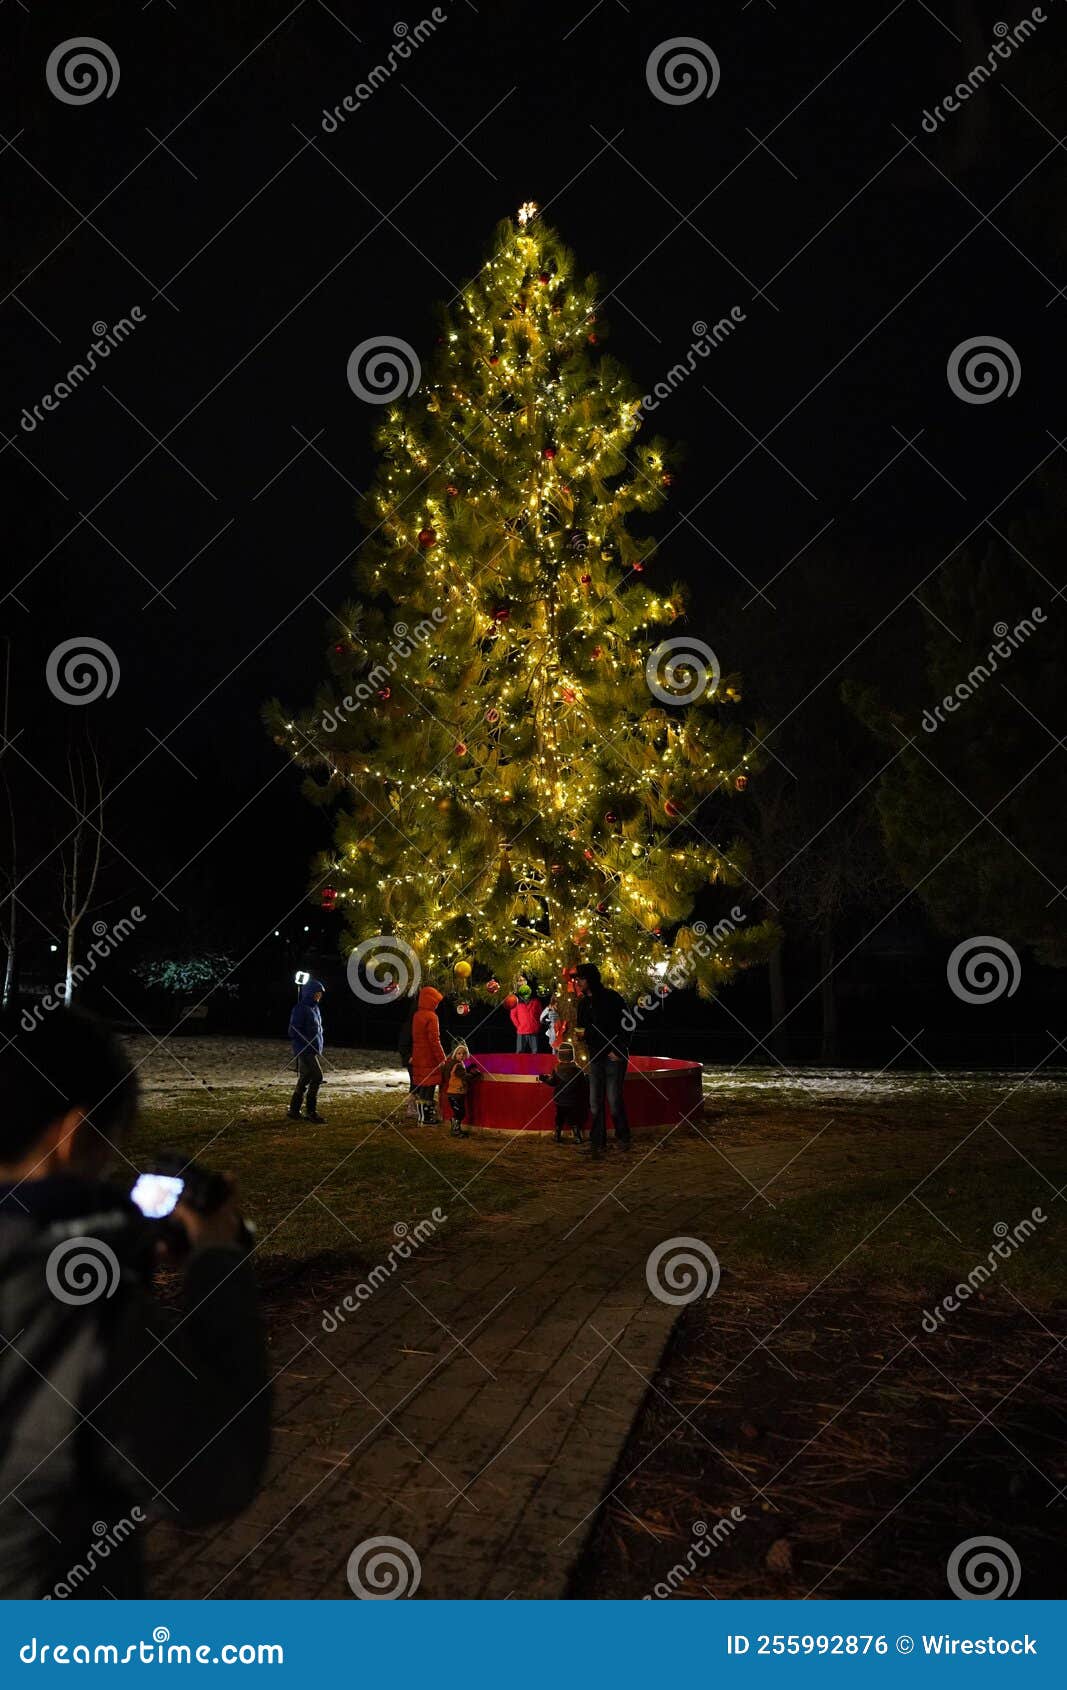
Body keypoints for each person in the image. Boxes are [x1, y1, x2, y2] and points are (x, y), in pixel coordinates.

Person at [0, 1008, 270, 1599]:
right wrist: (218, 1265)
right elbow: (212, 1475)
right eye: (109, 1148)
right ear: (73, 1136)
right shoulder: (70, 1308)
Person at [574, 963, 631, 1156]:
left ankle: (623, 1138)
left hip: (614, 1056)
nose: (577, 982)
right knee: (595, 1102)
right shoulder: (582, 1003)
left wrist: (619, 1047)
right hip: (596, 1055)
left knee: (614, 1100)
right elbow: (581, 1028)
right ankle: (598, 1143)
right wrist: (581, 1035)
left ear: (590, 979)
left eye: (581, 978)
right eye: (576, 979)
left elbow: (628, 1023)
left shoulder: (611, 998)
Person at [288, 977, 326, 1123]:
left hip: (312, 1049)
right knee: (317, 1077)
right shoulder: (300, 1008)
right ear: (309, 992)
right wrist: (306, 1042)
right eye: (317, 993)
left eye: (320, 993)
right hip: (304, 1050)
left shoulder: (315, 1008)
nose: (319, 996)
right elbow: (293, 1030)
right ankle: (311, 1112)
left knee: (304, 1077)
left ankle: (294, 1110)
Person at [536, 1041, 589, 1143]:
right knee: (574, 1119)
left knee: (559, 1118)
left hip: (560, 1100)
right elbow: (583, 1085)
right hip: (574, 1100)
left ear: (560, 1055)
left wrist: (543, 1078)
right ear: (572, 1055)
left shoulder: (556, 1070)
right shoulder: (578, 1070)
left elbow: (552, 1082)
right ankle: (577, 1137)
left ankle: (557, 1135)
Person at [410, 985, 446, 1124]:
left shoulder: (417, 1015)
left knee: (424, 1085)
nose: (437, 1005)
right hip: (429, 1056)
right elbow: (434, 1040)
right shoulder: (432, 1017)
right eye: (435, 1002)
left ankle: (422, 1117)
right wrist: (442, 1058)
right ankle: (427, 1118)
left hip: (419, 1054)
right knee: (430, 1087)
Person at [441, 1043, 477, 1137]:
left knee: (460, 1112)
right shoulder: (457, 1066)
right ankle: (455, 1130)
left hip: (457, 1093)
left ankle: (456, 1128)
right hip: (455, 1093)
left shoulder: (459, 1064)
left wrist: (469, 1069)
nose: (461, 1056)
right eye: (459, 1053)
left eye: (463, 1054)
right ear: (455, 1054)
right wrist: (474, 1075)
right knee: (460, 1112)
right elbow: (464, 1076)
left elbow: (461, 1073)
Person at [509, 974, 542, 1054]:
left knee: (535, 1051)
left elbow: (540, 1015)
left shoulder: (536, 1002)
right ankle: (519, 1066)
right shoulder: (516, 1002)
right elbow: (513, 1016)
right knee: (519, 1052)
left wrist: (537, 1025)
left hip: (533, 1030)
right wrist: (519, 1026)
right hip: (521, 1031)